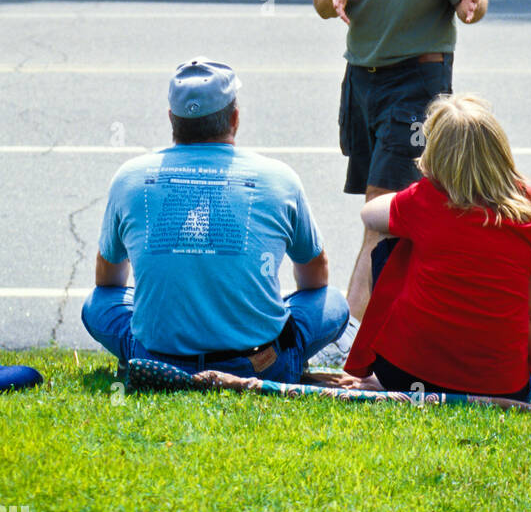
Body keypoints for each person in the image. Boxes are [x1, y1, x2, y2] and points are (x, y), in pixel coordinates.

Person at [309, 0, 487, 365]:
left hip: (419, 77)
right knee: (398, 218)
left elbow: (474, 2)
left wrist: (468, 4)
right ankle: (408, 330)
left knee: (379, 212)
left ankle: (349, 345)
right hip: (361, 76)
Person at [81, 58, 348, 382]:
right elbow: (316, 275)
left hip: (156, 358)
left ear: (172, 119)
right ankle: (279, 363)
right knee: (332, 302)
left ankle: (150, 364)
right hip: (257, 363)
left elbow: (108, 279)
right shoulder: (279, 178)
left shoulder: (129, 177)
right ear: (234, 117)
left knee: (98, 305)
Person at [341, 92, 531, 412]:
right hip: (504, 386)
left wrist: (422, 191)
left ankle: (382, 360)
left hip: (405, 375)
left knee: (394, 243)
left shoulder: (425, 201)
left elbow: (370, 214)